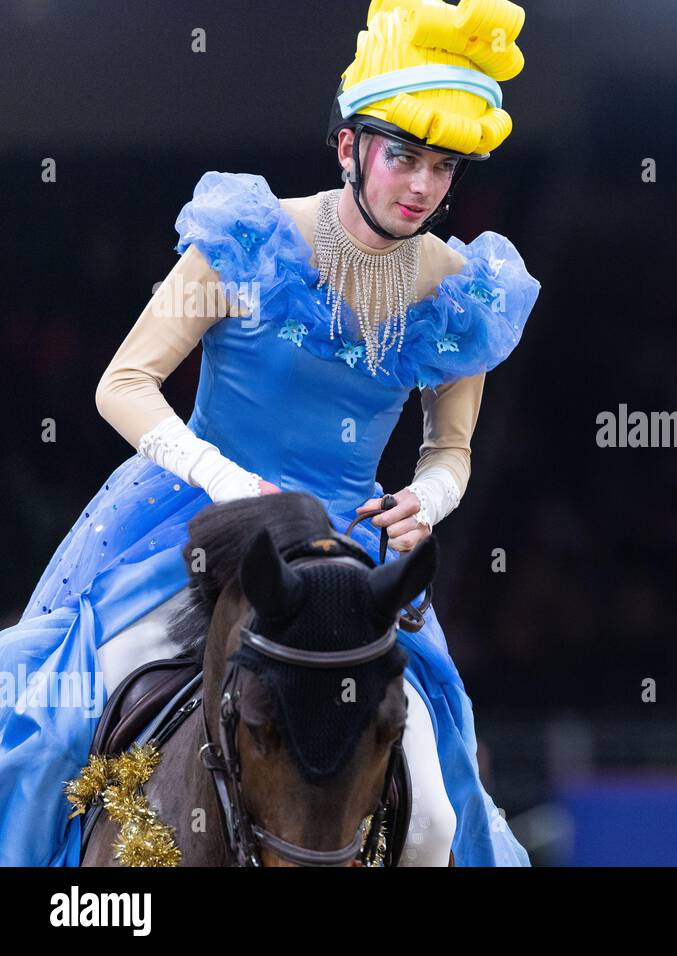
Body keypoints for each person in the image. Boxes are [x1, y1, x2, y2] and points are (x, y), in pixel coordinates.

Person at [0, 0, 539, 866]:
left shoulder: (463, 290)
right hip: (194, 519)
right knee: (49, 731)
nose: (422, 187)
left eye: (444, 167)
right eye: (403, 156)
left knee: (441, 819)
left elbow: (451, 448)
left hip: (349, 549)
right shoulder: (243, 238)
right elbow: (122, 384)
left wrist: (428, 499)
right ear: (347, 146)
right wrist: (222, 481)